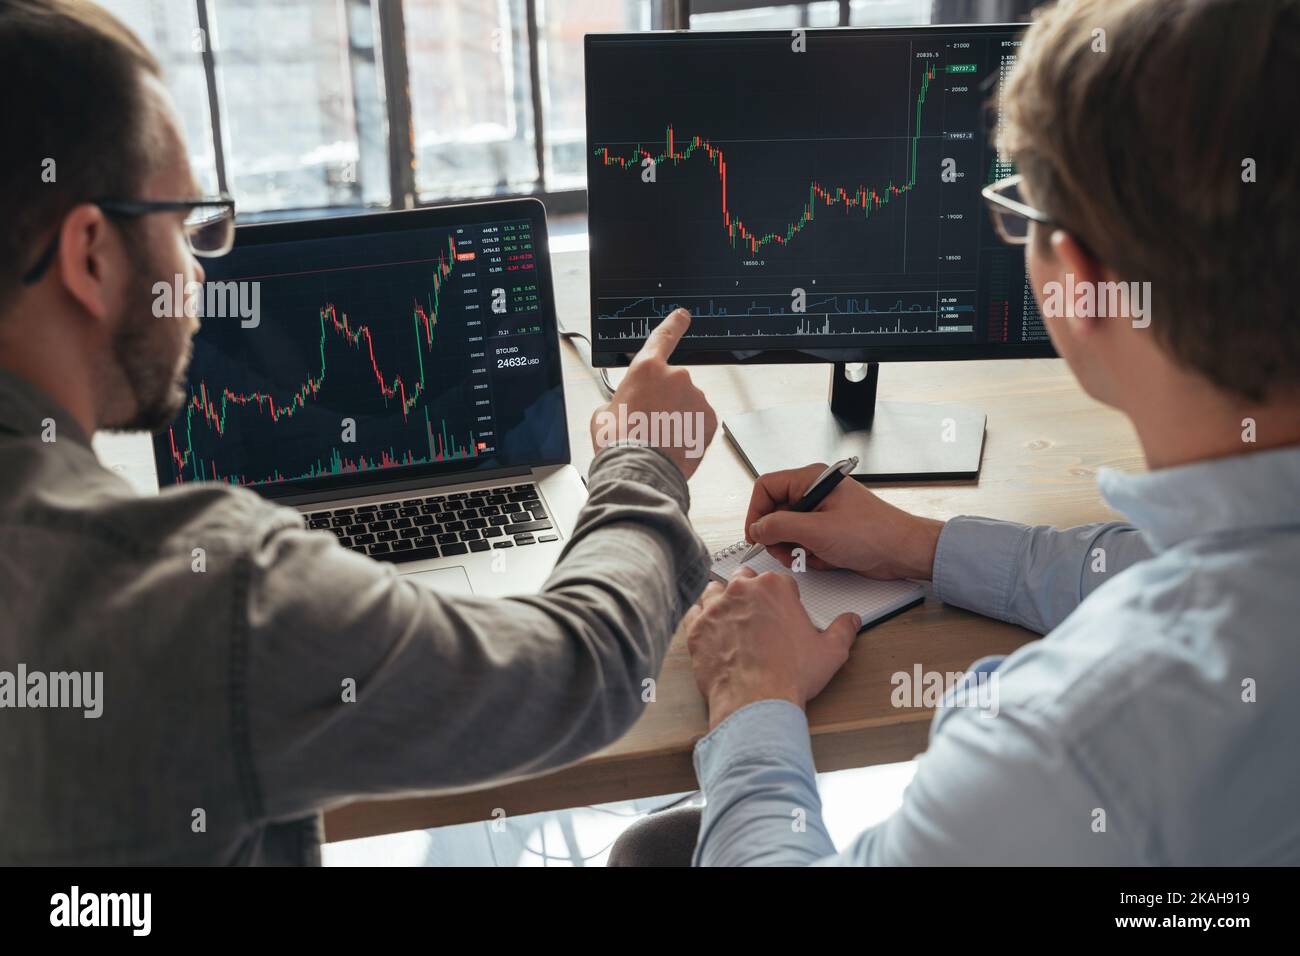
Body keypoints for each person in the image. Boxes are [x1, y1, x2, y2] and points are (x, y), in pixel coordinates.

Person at [0, 0, 717, 864]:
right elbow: (580, 673)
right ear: (91, 256)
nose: (196, 270)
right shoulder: (207, 592)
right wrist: (641, 458)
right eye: (184, 226)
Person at [613, 0, 1300, 866]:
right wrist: (924, 546)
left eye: (1021, 211)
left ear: (1078, 280)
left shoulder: (1069, 742)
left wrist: (752, 701)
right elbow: (1174, 566)